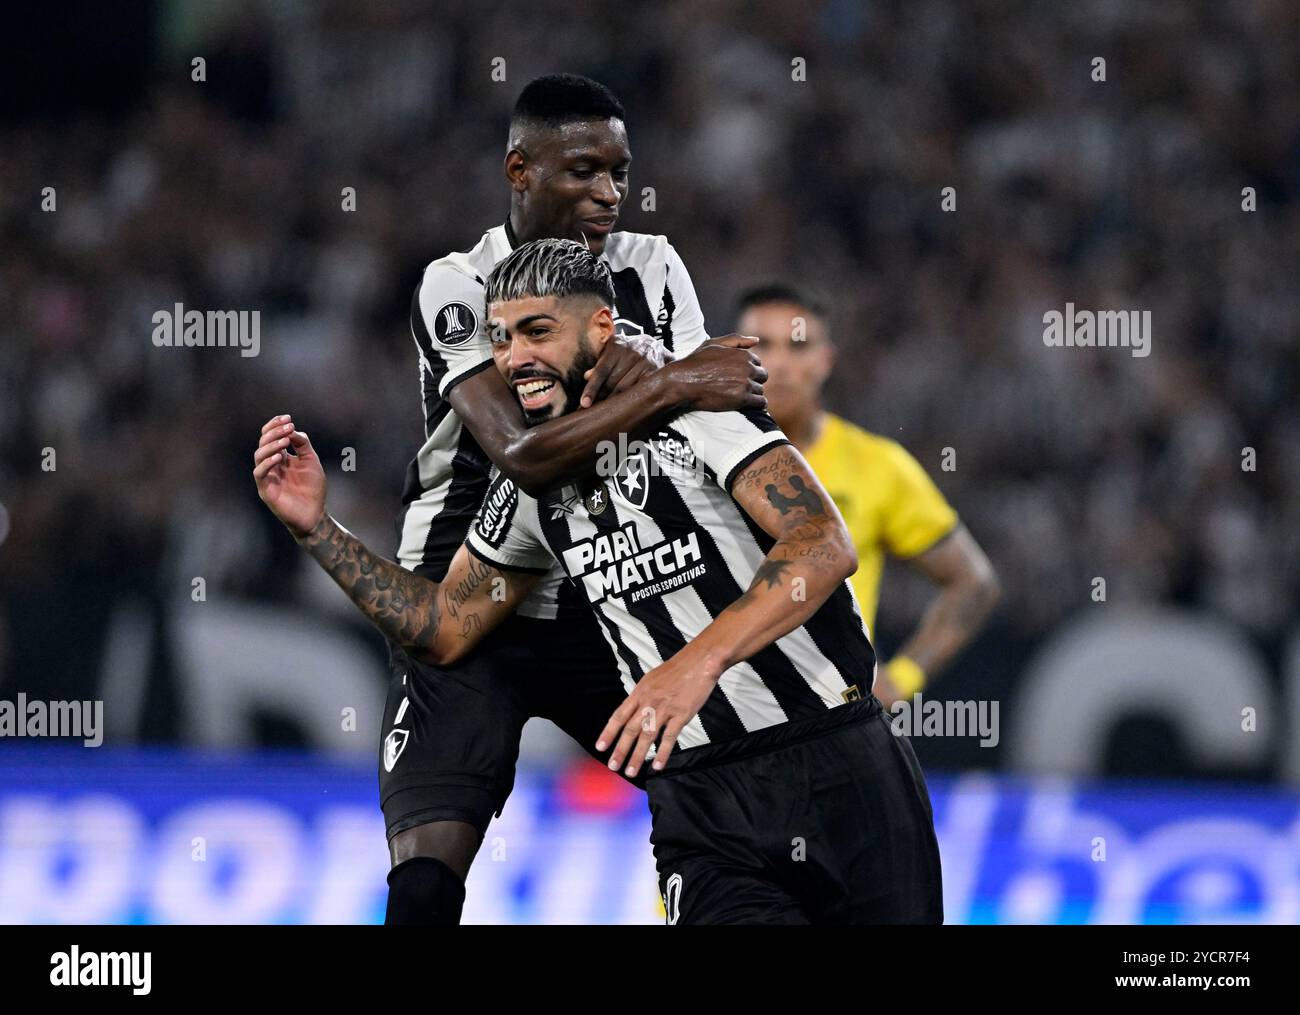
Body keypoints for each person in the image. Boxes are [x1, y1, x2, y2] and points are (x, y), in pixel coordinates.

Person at [256, 238, 944, 923]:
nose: (515, 358)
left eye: (537, 331)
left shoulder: (701, 408)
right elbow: (442, 627)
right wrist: (318, 528)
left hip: (839, 760)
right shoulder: (530, 485)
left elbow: (822, 543)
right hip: (701, 806)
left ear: (602, 329)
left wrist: (697, 662)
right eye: (499, 338)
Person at [256, 74, 766, 925]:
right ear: (519, 169)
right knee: (423, 885)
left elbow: (697, 433)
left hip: (612, 589)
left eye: (619, 171)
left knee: (725, 817)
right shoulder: (456, 282)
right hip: (470, 590)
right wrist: (672, 380)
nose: (608, 194)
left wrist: (682, 393)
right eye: (582, 172)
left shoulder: (654, 265)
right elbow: (522, 452)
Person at [735, 284, 1000, 706]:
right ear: (733, 354)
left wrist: (902, 679)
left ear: (826, 361)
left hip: (832, 719)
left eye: (799, 345)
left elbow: (974, 583)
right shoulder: (694, 455)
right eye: (763, 344)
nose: (781, 362)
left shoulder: (877, 466)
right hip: (718, 718)